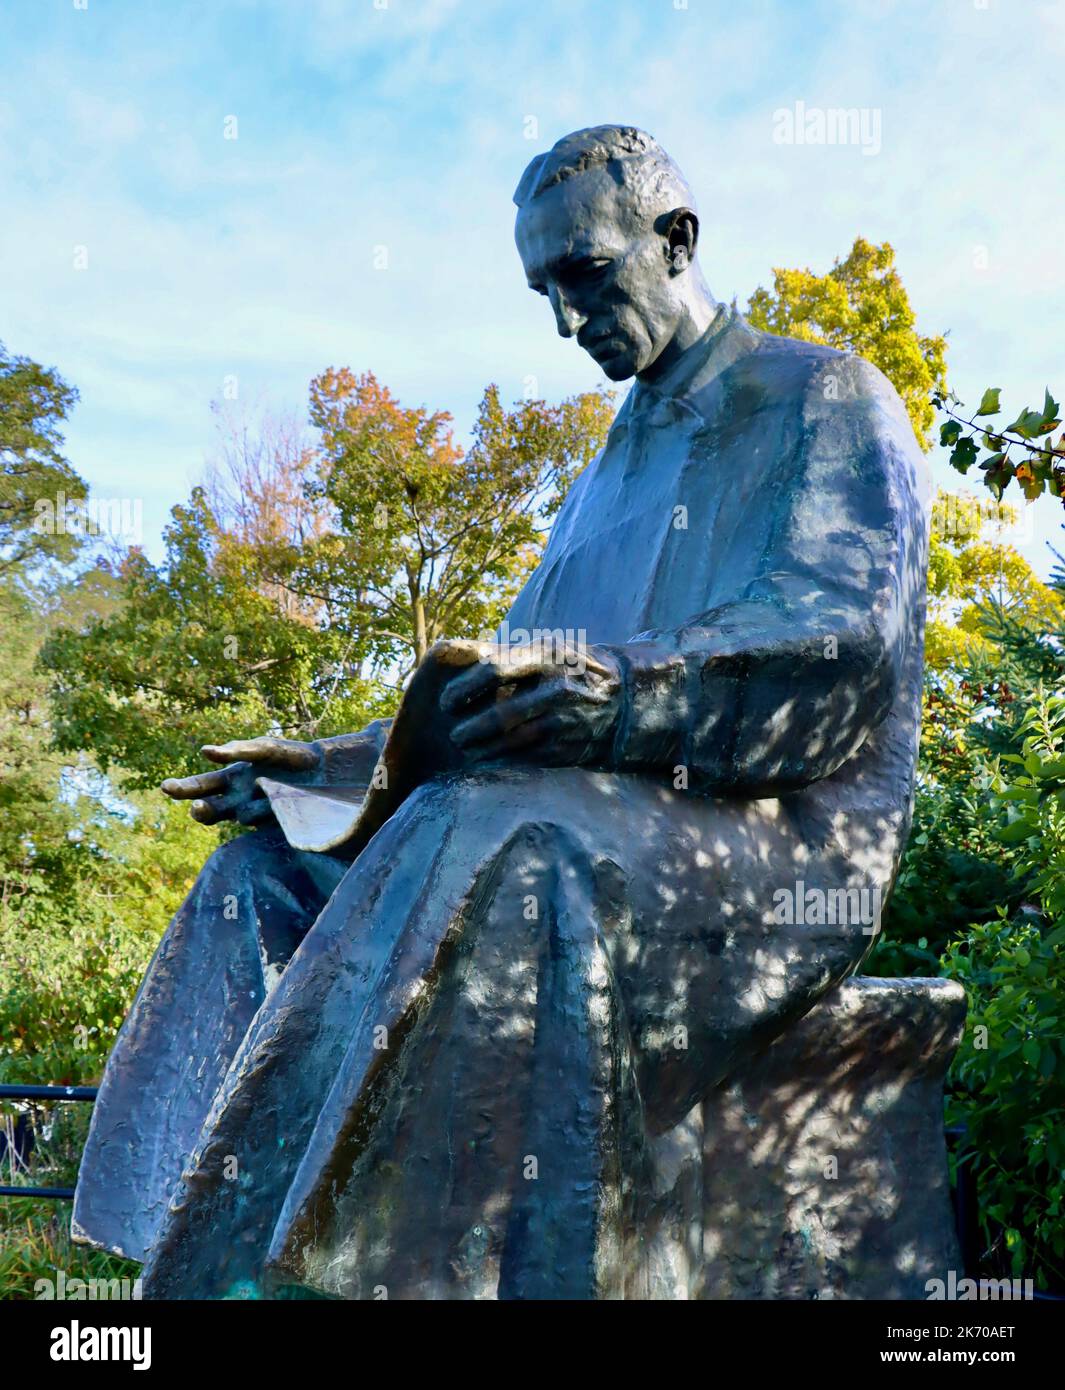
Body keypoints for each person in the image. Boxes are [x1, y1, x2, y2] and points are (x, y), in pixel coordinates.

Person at [73, 126, 929, 1300]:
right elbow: (497, 702)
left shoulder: (821, 393)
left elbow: (838, 651)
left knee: (507, 838)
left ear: (676, 240)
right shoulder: (600, 484)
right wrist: (320, 775)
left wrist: (622, 698)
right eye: (544, 293)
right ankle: (196, 1273)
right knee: (253, 879)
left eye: (584, 275)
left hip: (776, 846)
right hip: (579, 814)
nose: (567, 323)